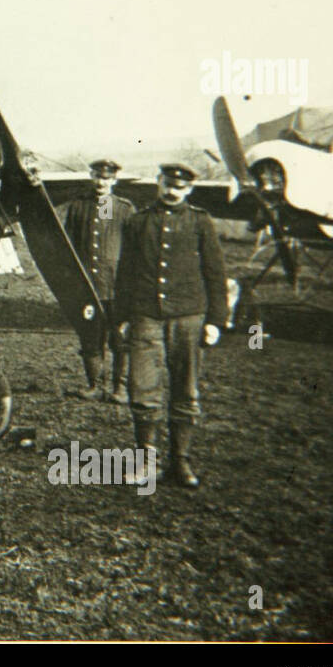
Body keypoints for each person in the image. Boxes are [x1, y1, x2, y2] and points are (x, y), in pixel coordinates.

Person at [114, 162, 227, 488]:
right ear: (158, 183)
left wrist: (216, 320)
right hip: (146, 315)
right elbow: (126, 274)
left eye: (179, 186)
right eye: (167, 183)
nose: (172, 190)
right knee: (143, 389)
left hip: (188, 317)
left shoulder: (201, 222)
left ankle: (180, 461)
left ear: (189, 190)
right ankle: (146, 461)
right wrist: (121, 317)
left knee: (186, 389)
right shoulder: (138, 222)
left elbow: (216, 274)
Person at [58, 159, 135, 402]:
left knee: (120, 339)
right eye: (97, 176)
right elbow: (68, 246)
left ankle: (120, 388)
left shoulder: (124, 208)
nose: (101, 182)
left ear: (114, 180)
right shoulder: (78, 206)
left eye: (107, 178)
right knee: (90, 337)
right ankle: (94, 385)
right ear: (91, 176)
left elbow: (133, 249)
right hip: (86, 286)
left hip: (115, 286)